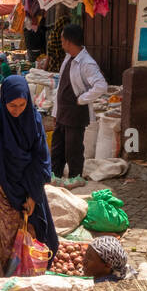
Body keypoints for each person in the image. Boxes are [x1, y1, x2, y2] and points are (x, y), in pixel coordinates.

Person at [0, 75, 59, 279]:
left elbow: (41, 160)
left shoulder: (33, 120)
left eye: (22, 105)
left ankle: (14, 288)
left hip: (22, 192)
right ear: (3, 99)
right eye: (12, 105)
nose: (17, 110)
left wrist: (33, 196)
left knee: (21, 242)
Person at [51, 23, 107, 187]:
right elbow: (61, 85)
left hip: (76, 112)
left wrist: (82, 99)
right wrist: (55, 112)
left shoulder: (87, 63)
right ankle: (56, 174)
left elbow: (101, 85)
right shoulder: (69, 58)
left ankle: (76, 176)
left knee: (73, 147)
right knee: (57, 146)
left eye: (62, 39)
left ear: (68, 41)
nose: (61, 43)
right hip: (63, 111)